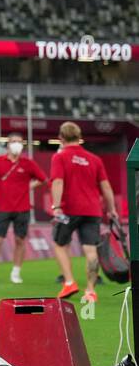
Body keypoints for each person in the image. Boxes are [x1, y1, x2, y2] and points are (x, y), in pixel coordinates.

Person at [49, 122, 118, 303]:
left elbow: (57, 182)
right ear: (80, 137)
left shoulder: (60, 157)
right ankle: (90, 291)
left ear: (61, 138)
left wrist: (56, 207)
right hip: (92, 210)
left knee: (60, 244)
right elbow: (106, 187)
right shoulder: (94, 159)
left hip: (69, 209)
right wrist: (111, 210)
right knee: (91, 250)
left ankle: (70, 282)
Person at [0, 132, 46, 284]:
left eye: (19, 142)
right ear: (7, 145)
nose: (16, 144)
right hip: (2, 208)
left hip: (22, 208)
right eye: (13, 141)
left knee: (20, 240)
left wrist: (29, 186)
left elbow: (42, 179)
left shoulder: (28, 163)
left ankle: (16, 272)